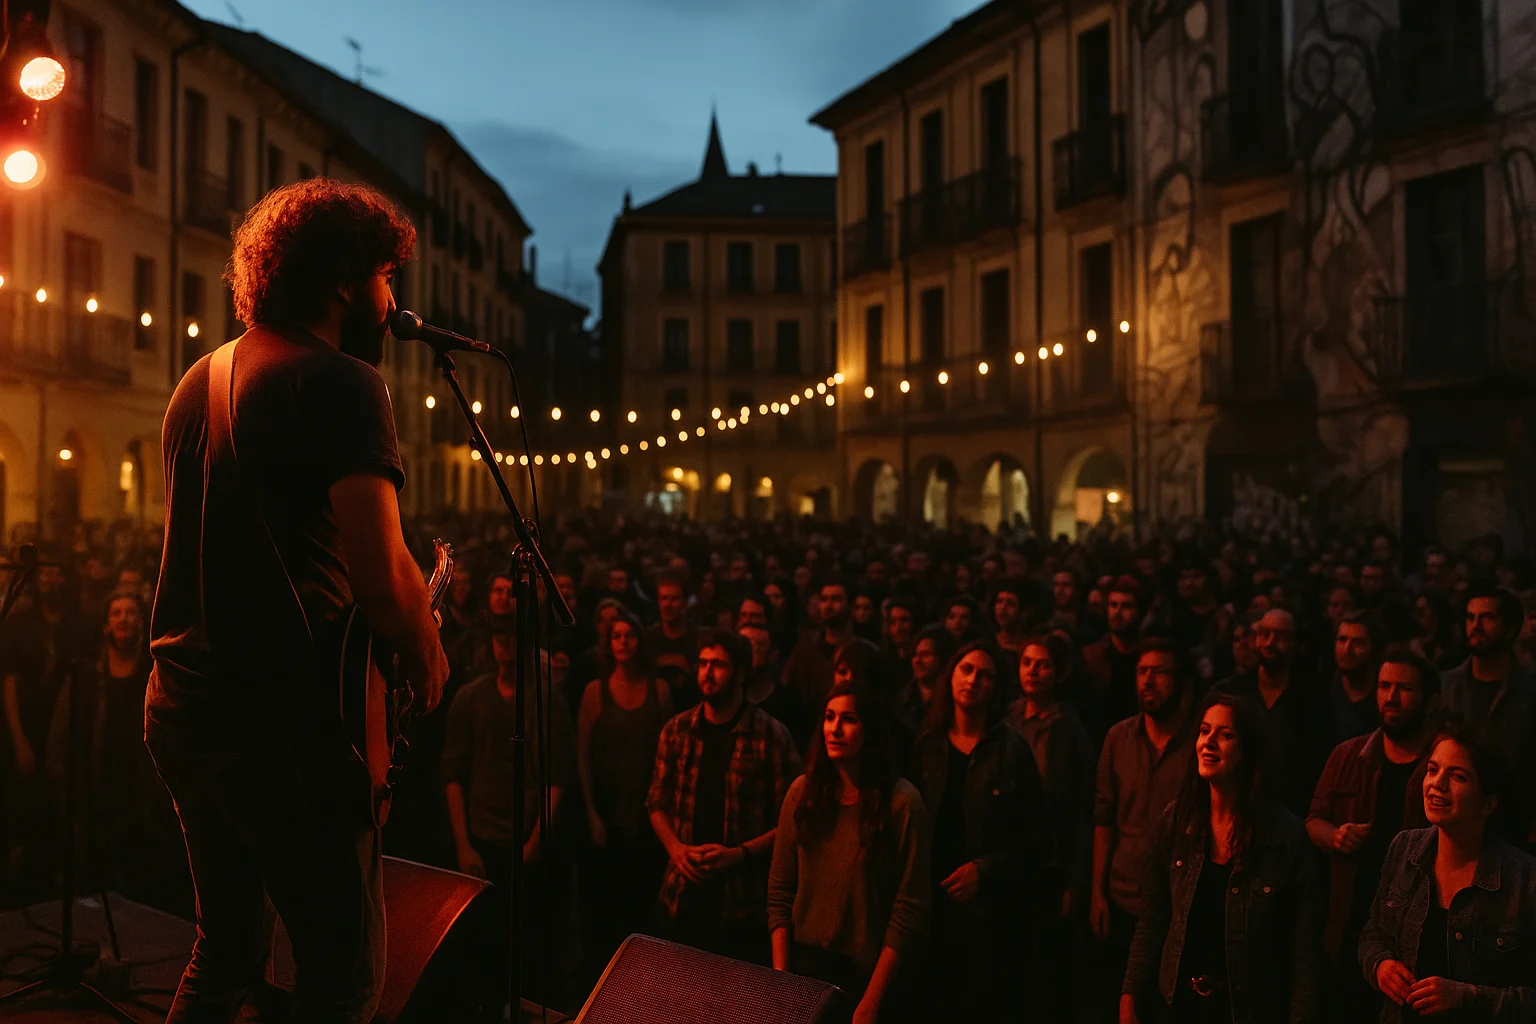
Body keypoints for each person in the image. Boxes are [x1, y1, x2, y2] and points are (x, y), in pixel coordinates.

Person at [146, 180, 450, 1024]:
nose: (392, 301)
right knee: (341, 980)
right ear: (346, 279)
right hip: (281, 732)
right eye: (386, 276)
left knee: (226, 950)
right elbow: (381, 576)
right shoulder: (343, 383)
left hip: (184, 707)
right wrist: (427, 651)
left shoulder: (199, 379)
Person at [1121, 692, 1324, 1024]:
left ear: (1247, 750)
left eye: (1225, 734)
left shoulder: (1283, 837)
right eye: (1204, 731)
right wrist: (1129, 995)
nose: (1209, 742)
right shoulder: (1177, 822)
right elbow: (1153, 919)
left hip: (1248, 1011)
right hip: (1178, 1006)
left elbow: (1304, 950)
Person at [768, 678, 930, 1024]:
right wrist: (781, 980)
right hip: (804, 966)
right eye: (829, 717)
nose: (835, 729)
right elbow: (780, 890)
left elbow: (909, 909)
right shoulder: (803, 793)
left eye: (849, 719)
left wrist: (872, 999)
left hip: (864, 975)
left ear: (870, 729)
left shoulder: (902, 804)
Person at [442, 621, 577, 1015]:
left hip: (525, 840)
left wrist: (534, 841)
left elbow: (556, 779)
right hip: (483, 839)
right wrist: (463, 843)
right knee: (483, 945)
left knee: (529, 944)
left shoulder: (545, 702)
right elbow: (453, 774)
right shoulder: (472, 697)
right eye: (500, 637)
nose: (505, 645)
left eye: (513, 637)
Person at [1359, 726, 1536, 1022]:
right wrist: (1380, 965)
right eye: (1432, 770)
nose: (1437, 784)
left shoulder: (1524, 880)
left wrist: (1464, 997)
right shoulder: (1404, 848)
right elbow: (1373, 933)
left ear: (1488, 804)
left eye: (1458, 776)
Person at [911, 642, 1048, 1020]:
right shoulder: (927, 745)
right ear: (951, 676)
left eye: (985, 675)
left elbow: (1036, 839)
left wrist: (984, 871)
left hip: (990, 915)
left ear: (996, 687)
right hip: (929, 905)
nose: (973, 680)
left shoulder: (1011, 751)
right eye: (966, 670)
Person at [647, 631, 801, 963]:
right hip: (682, 893)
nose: (707, 672)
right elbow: (657, 802)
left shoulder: (771, 737)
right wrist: (676, 849)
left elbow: (792, 822)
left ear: (741, 672)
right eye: (703, 663)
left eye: (718, 665)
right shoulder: (677, 730)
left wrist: (739, 854)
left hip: (742, 901)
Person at [1306, 648, 1437, 1023]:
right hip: (1352, 917)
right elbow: (1313, 820)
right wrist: (1335, 836)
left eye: (1404, 688)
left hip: (1418, 925)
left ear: (1427, 698)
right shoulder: (1347, 755)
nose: (1391, 697)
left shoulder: (1441, 761)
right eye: (1384, 686)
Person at [1090, 639, 1199, 1022]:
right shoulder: (1118, 738)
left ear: (1181, 681)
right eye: (1142, 672)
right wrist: (1097, 892)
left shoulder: (1199, 742)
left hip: (1177, 901)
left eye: (1160, 672)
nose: (1149, 681)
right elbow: (1104, 818)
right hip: (1122, 894)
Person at [576, 609, 673, 973]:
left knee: (641, 906)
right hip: (607, 810)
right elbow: (583, 755)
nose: (623, 642)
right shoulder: (595, 692)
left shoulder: (658, 690)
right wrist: (591, 812)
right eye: (616, 636)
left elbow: (669, 754)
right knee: (604, 907)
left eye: (629, 635)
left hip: (646, 813)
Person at [1217, 608, 1333, 820]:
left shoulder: (1313, 700)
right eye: (1264, 634)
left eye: (1281, 636)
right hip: (1236, 810)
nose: (1270, 642)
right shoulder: (1231, 693)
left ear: (1295, 643)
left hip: (1293, 815)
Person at [1439, 586, 1534, 841]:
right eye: (1470, 617)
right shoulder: (1446, 687)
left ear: (1510, 628)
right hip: (1455, 823)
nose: (1476, 626)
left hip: (1516, 824)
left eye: (1487, 617)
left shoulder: (1529, 689)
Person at [1081, 576, 1143, 742]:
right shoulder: (1091, 657)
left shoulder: (1149, 656)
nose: (1117, 613)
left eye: (1126, 606)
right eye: (1113, 605)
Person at [782, 578, 853, 716]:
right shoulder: (806, 648)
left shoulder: (860, 651)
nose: (828, 605)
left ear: (849, 605)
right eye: (824, 599)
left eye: (836, 599)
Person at [1329, 611, 1384, 742]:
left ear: (1373, 648)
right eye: (1342, 640)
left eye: (1358, 642)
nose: (1347, 649)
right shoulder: (1322, 692)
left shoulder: (1384, 697)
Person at [892, 625, 953, 739]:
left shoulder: (954, 699)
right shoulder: (902, 700)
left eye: (925, 655)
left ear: (942, 658)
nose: (917, 661)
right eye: (915, 655)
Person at [648, 574, 701, 705]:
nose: (668, 604)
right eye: (664, 598)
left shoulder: (699, 640)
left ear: (685, 603)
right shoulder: (647, 639)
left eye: (674, 598)